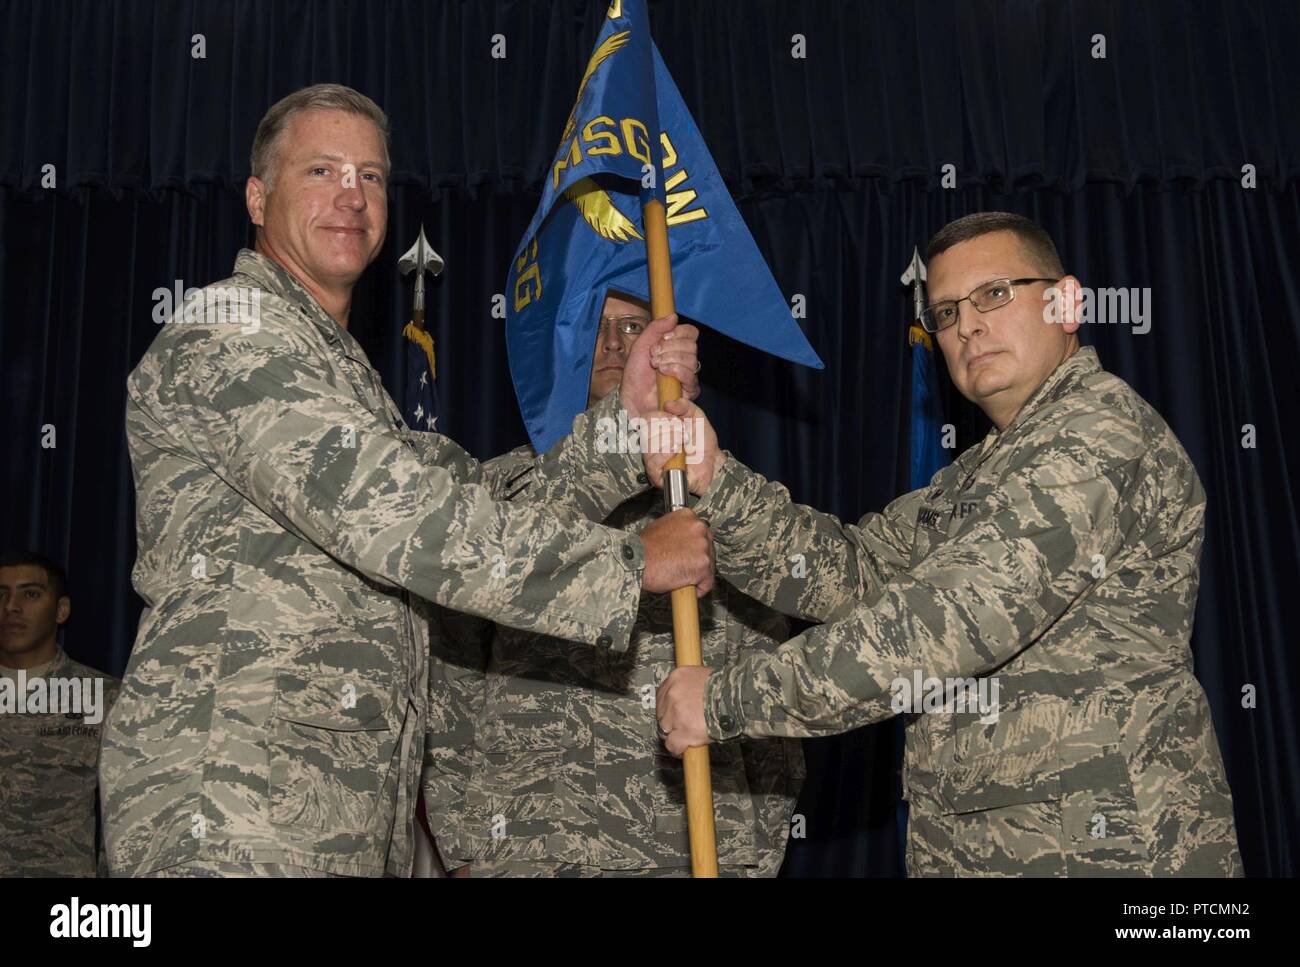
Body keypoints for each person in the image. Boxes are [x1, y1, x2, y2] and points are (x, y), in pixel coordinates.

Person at [103, 83, 711, 877]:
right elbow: (400, 515)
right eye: (321, 172)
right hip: (230, 805)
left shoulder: (346, 378)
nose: (350, 197)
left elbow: (477, 504)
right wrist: (630, 566)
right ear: (257, 197)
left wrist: (625, 423)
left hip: (333, 815)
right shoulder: (230, 330)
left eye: (371, 177)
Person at [651, 212, 1241, 876]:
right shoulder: (974, 476)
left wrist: (728, 700)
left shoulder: (1100, 433)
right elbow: (854, 570)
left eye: (995, 293)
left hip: (1114, 853)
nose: (968, 325)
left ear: (1067, 302)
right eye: (947, 311)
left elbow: (943, 622)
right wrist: (716, 480)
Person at [423, 292, 803, 877]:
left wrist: (754, 856)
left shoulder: (723, 499)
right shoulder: (502, 494)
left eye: (633, 326)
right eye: (595, 327)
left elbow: (768, 697)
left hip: (683, 844)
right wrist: (464, 849)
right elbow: (452, 678)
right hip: (531, 842)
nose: (614, 344)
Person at [0, 551, 119, 876]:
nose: (11, 607)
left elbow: (124, 817)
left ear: (61, 610)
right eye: (1, 594)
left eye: (31, 594)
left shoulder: (105, 698)